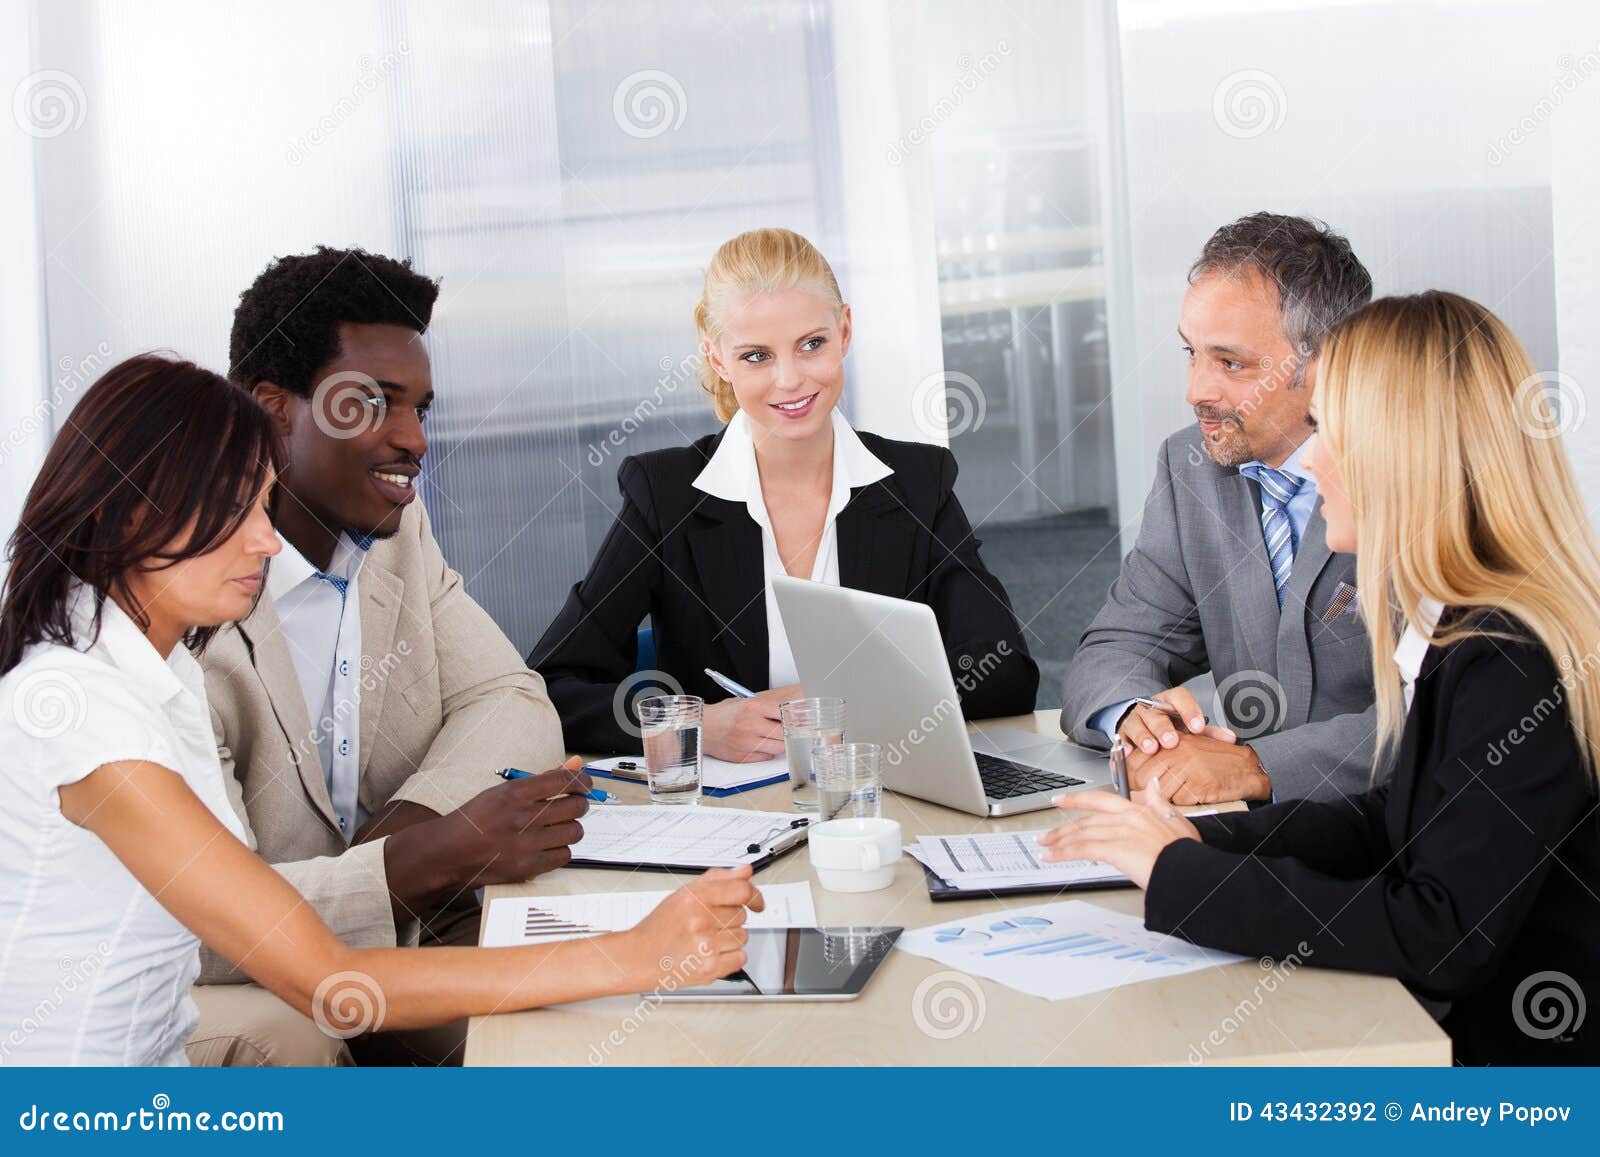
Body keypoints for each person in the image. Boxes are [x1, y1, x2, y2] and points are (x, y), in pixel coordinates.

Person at [0, 354, 760, 1067]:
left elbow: (509, 693)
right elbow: (329, 978)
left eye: (262, 504)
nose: (265, 540)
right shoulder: (83, 712)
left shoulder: (150, 670)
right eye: (234, 510)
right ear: (134, 512)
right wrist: (637, 952)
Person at [1039, 292, 1600, 1065]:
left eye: (1330, 430)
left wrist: (1185, 877)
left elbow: (1442, 933)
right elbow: (1390, 824)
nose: (1314, 460)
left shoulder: (1509, 655)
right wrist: (1194, 840)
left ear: (1407, 452)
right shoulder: (1467, 619)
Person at [196, 247, 575, 1065]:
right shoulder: (187, 601)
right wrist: (419, 860)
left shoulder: (398, 542)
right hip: (242, 976)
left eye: (420, 409)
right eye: (372, 404)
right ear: (275, 411)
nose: (414, 441)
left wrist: (406, 843)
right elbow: (202, 924)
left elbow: (511, 699)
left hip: (390, 929)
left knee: (594, 1012)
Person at [532, 227, 1038, 759]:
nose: (790, 379)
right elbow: (554, 685)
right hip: (734, 819)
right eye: (756, 356)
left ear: (844, 331)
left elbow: (1002, 668)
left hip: (882, 795)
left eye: (812, 344)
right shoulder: (667, 497)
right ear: (718, 358)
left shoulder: (916, 481)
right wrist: (697, 725)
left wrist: (844, 704)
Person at [1061, 212, 1377, 804]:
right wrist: (1135, 713)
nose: (1196, 391)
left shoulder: (1417, 472)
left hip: (1400, 842)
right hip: (1247, 835)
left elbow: (1445, 712)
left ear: (1324, 362)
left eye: (1230, 363)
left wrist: (1260, 766)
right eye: (1191, 354)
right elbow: (1117, 646)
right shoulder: (1191, 468)